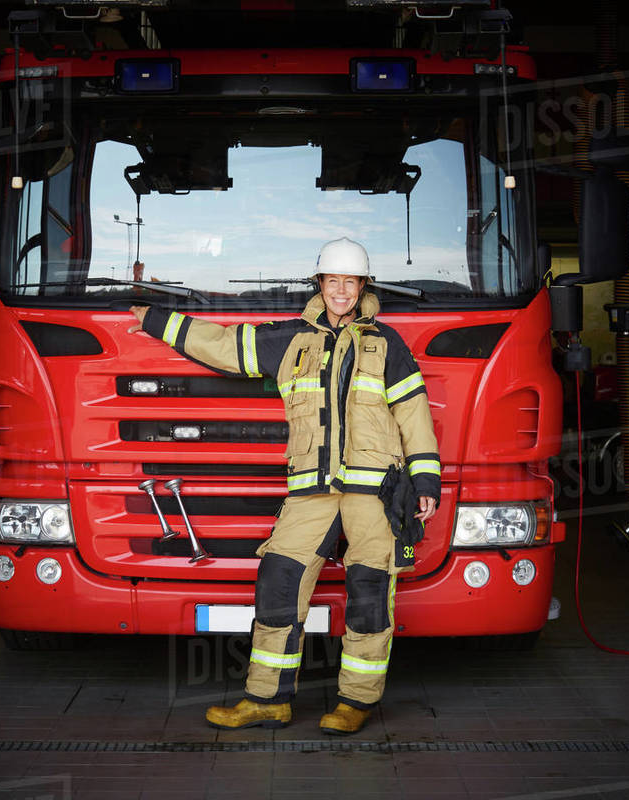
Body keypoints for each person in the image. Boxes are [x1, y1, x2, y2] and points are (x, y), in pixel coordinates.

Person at [128, 237, 440, 735]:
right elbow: (226, 346)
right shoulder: (291, 339)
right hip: (311, 491)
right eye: (332, 281)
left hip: (374, 491)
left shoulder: (389, 344)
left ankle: (356, 702)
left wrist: (425, 477)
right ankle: (266, 700)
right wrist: (158, 321)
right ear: (321, 285)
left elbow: (414, 413)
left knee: (369, 590)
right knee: (277, 582)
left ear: (363, 288)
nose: (341, 291)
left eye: (350, 282)